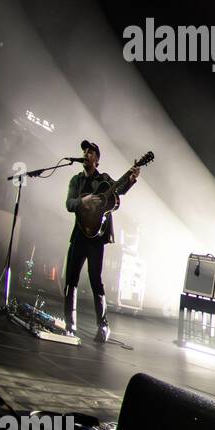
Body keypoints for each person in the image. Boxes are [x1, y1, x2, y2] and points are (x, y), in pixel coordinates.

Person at [63, 140, 139, 341]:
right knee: (71, 280)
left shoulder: (104, 180)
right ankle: (70, 326)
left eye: (90, 152)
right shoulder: (76, 180)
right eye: (85, 151)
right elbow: (69, 204)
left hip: (96, 238)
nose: (86, 154)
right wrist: (82, 201)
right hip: (79, 234)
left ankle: (103, 326)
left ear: (97, 159)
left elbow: (119, 190)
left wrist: (131, 179)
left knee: (95, 280)